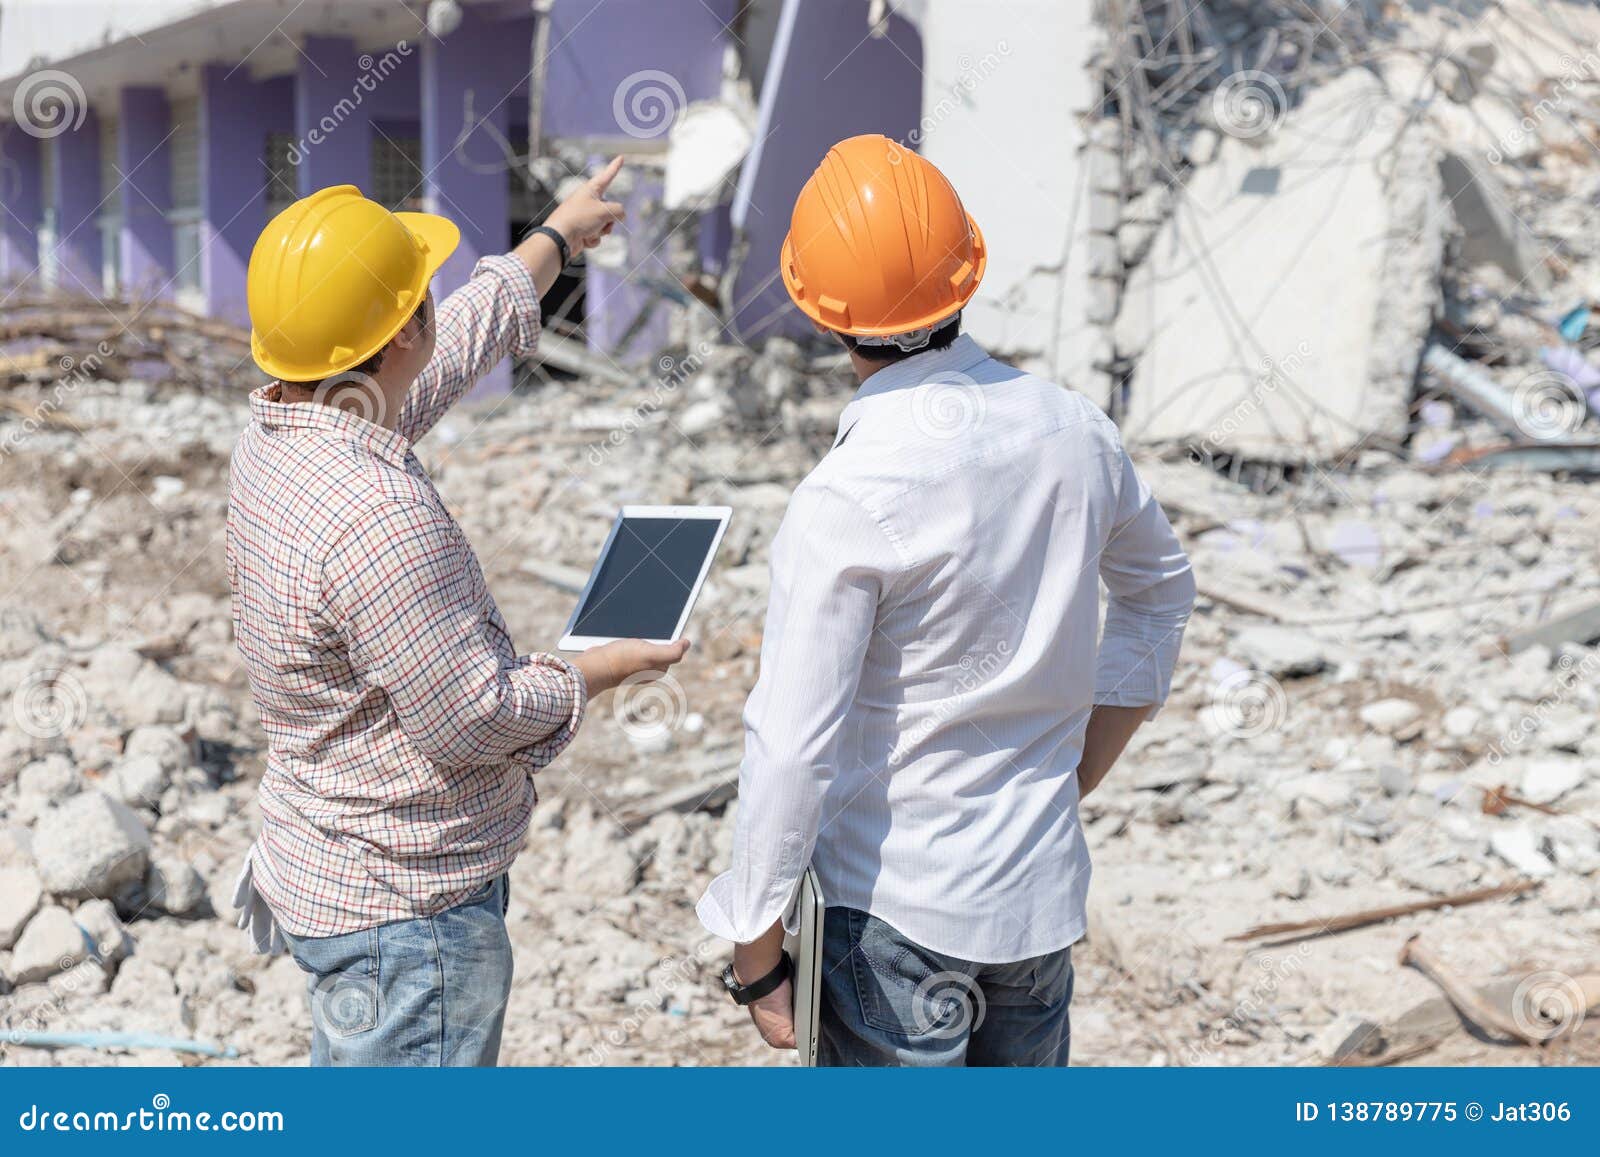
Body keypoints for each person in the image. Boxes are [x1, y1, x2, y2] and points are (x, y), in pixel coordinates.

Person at [697, 135, 1196, 1066]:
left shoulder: (847, 495)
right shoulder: (1074, 429)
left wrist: (756, 946)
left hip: (893, 915)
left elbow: (793, 743)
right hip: (1035, 900)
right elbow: (1161, 592)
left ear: (816, 307)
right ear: (967, 271)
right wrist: (1078, 769)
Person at [227, 158, 687, 1066]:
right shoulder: (376, 513)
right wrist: (597, 668)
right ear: (402, 333)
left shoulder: (285, 431)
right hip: (409, 918)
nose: (438, 305)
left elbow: (441, 355)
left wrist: (552, 242)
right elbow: (473, 718)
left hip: (334, 870)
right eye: (423, 293)